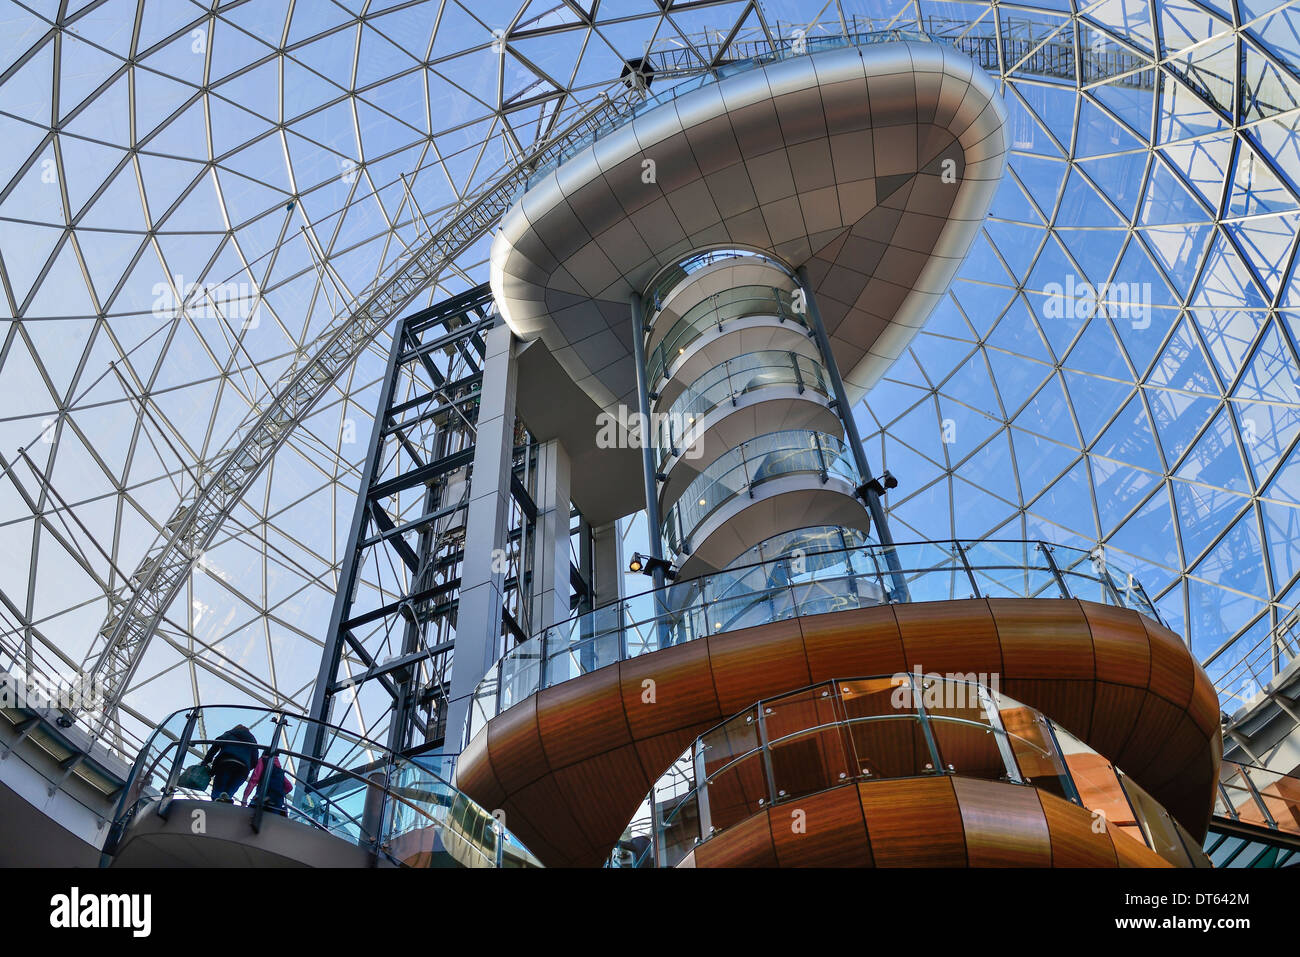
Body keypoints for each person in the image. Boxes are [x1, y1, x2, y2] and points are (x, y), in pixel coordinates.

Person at [203, 724, 259, 803]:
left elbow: (216, 744)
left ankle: (217, 799)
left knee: (219, 786)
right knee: (232, 788)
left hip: (226, 762)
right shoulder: (253, 740)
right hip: (243, 767)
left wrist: (207, 760)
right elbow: (255, 760)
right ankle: (227, 798)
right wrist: (248, 766)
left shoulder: (230, 733)